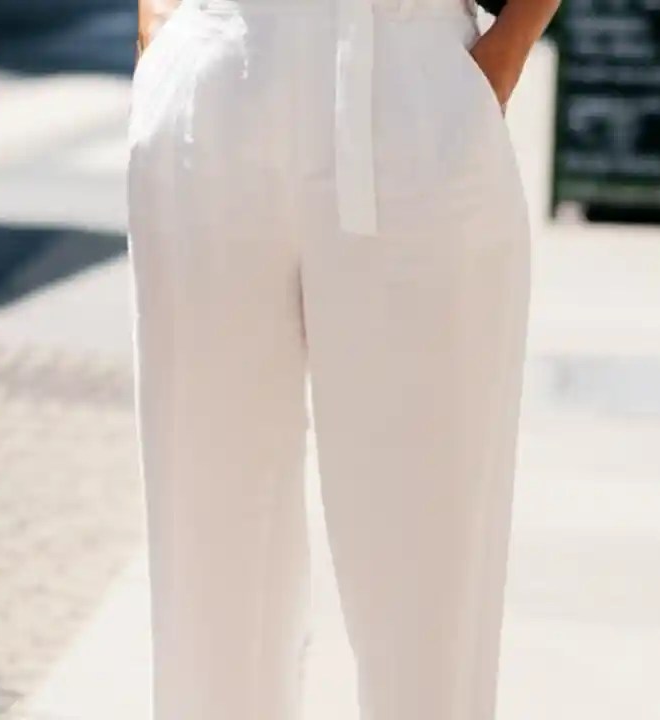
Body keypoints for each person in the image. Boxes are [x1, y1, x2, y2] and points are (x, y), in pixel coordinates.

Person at [127, 1, 559, 718]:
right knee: (205, 525)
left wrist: (507, 53)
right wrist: (157, 22)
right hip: (215, 71)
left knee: (430, 553)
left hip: (409, 83)